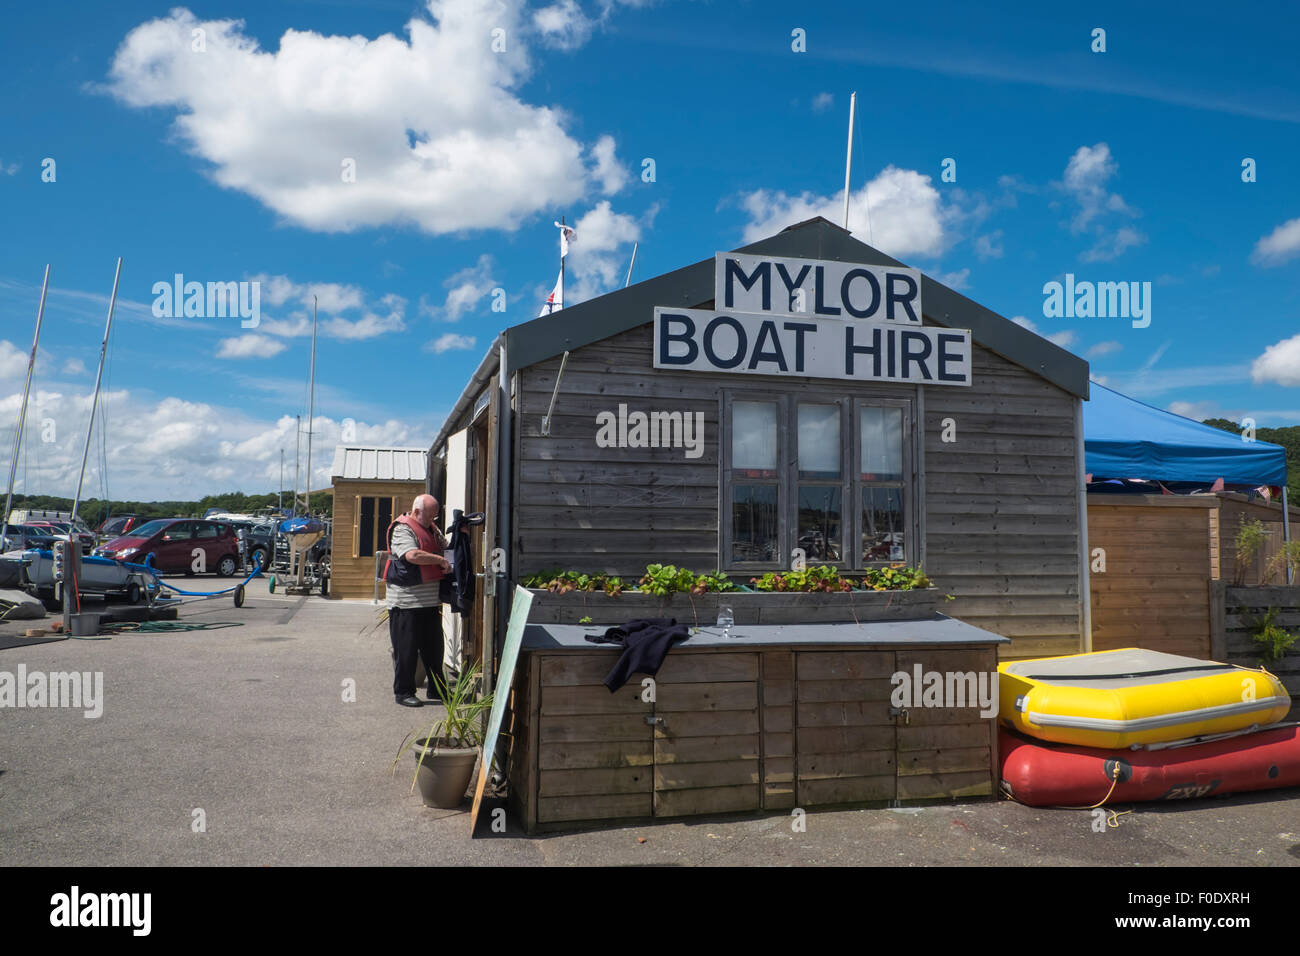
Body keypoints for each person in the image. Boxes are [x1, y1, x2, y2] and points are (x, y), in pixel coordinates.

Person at [385, 494, 452, 708]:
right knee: (406, 651)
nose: (433, 519)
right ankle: (403, 692)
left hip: (429, 602)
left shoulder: (431, 527)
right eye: (430, 515)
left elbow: (445, 545)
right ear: (416, 512)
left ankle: (437, 689)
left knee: (434, 649)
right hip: (406, 603)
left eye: (435, 515)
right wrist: (440, 559)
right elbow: (412, 555)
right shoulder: (403, 528)